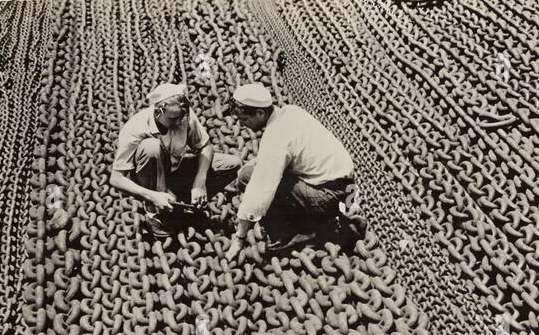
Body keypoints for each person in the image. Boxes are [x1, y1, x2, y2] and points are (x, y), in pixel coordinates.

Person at [225, 83, 364, 258]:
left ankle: (305, 234)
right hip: (345, 187)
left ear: (260, 113)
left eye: (244, 119)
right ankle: (323, 218)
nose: (242, 124)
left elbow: (260, 190)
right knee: (254, 171)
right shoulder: (290, 112)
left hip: (327, 196)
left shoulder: (276, 137)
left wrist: (240, 237)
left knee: (250, 177)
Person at [109, 82, 240, 228]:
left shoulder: (183, 115)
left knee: (232, 164)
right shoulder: (135, 128)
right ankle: (156, 210)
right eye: (172, 119)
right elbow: (116, 179)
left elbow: (205, 146)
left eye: (181, 117)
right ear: (158, 112)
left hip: (176, 170)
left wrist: (199, 182)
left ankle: (182, 201)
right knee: (151, 147)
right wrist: (152, 196)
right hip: (148, 176)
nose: (179, 123)